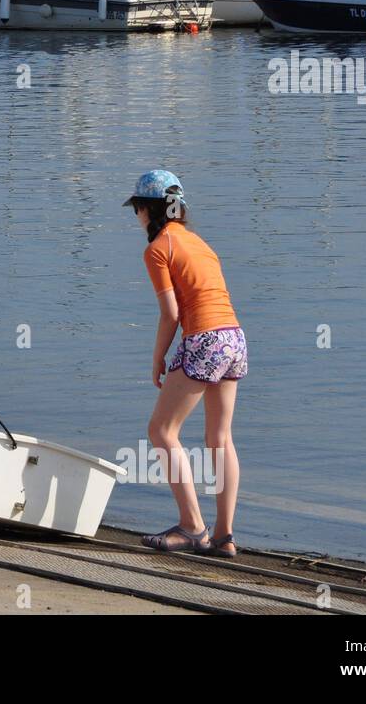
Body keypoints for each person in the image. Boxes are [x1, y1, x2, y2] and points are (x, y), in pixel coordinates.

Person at [125, 170, 246, 558]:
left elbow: (171, 313)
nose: (137, 217)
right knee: (220, 439)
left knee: (162, 430)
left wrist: (158, 357)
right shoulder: (200, 243)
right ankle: (225, 536)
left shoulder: (159, 247)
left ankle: (193, 526)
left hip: (206, 338)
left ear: (148, 209)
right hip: (234, 337)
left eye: (138, 209)